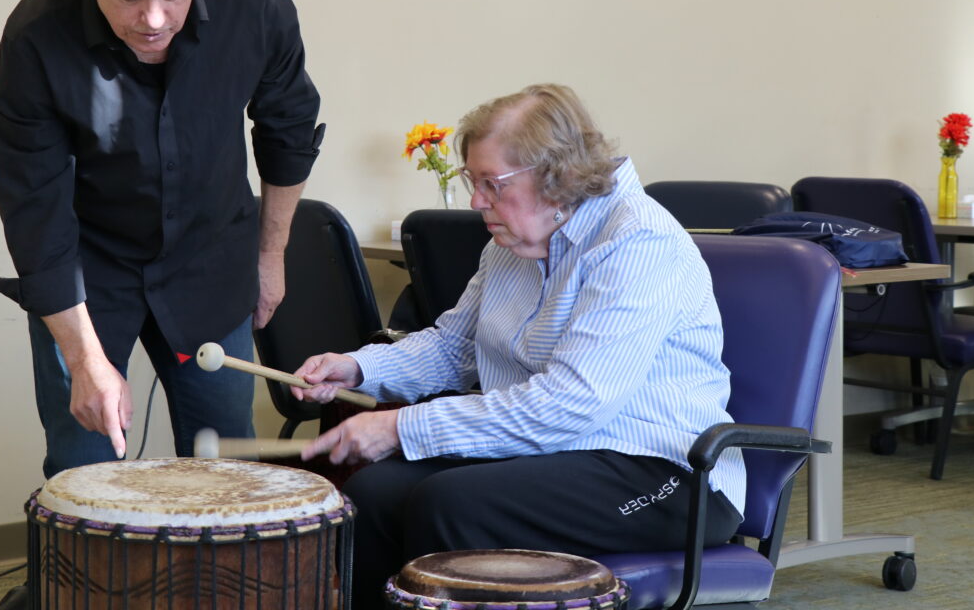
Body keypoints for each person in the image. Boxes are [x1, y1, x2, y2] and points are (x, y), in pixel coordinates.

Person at [292, 84, 745, 609]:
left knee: (452, 504)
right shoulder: (511, 241)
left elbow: (570, 403)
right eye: (472, 181)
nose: (476, 201)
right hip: (554, 454)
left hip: (671, 472)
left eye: (492, 184)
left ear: (559, 179)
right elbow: (454, 348)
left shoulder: (638, 242)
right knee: (372, 495)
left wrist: (399, 427)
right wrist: (356, 368)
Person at [0, 0, 322, 478]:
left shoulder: (256, 3)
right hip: (88, 272)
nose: (154, 19)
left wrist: (270, 257)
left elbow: (289, 132)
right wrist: (84, 357)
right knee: (83, 462)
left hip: (212, 255)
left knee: (224, 463)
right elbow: (33, 205)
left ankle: (217, 579)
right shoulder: (38, 36)